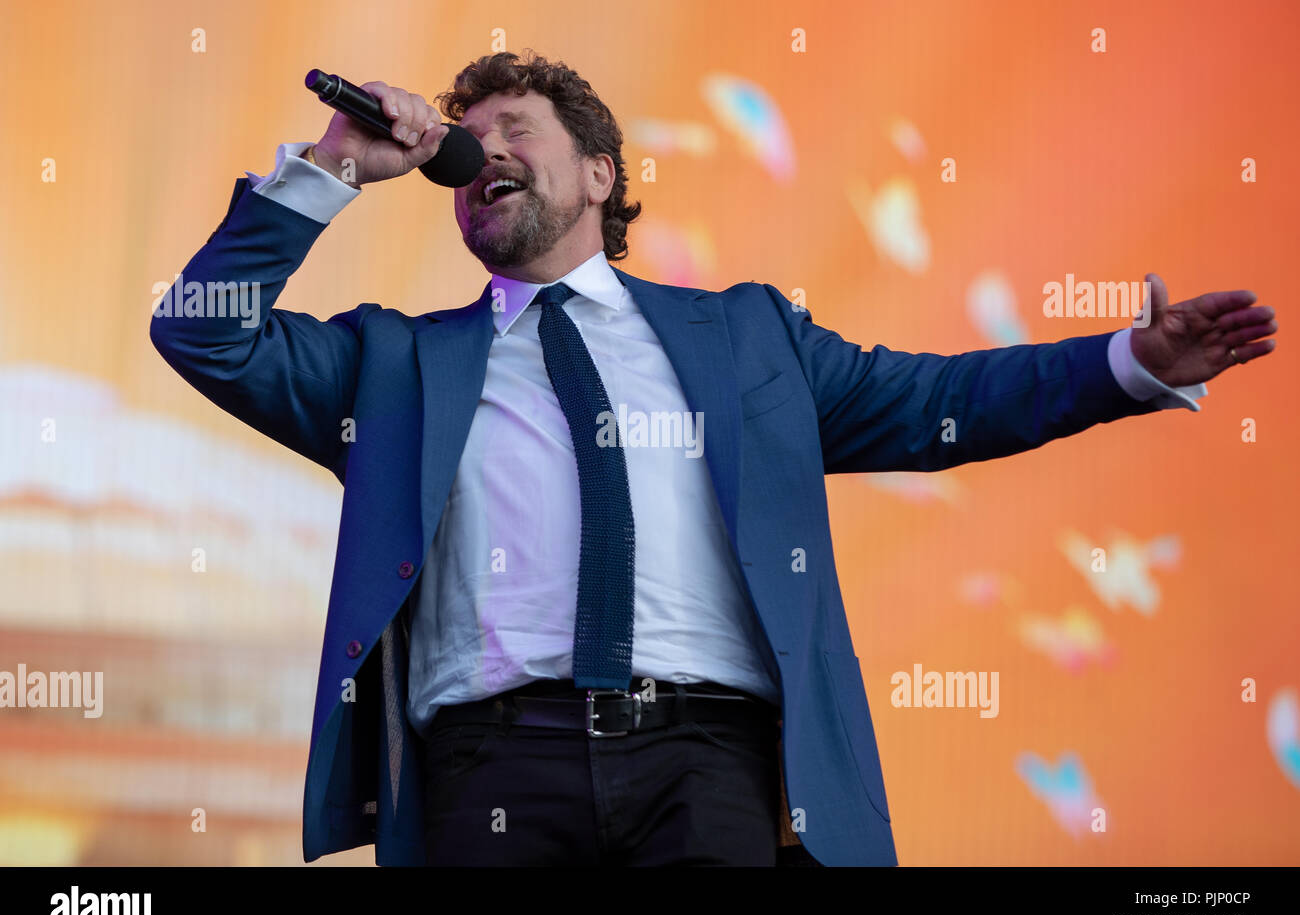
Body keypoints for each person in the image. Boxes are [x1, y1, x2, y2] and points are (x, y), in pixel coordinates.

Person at [149, 50, 1277, 866]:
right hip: (490, 772)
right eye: (465, 139)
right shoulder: (390, 366)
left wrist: (1130, 359)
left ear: (598, 174)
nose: (478, 151)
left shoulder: (746, 338)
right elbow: (203, 328)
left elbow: (942, 400)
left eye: (513, 129)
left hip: (709, 766)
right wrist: (332, 167)